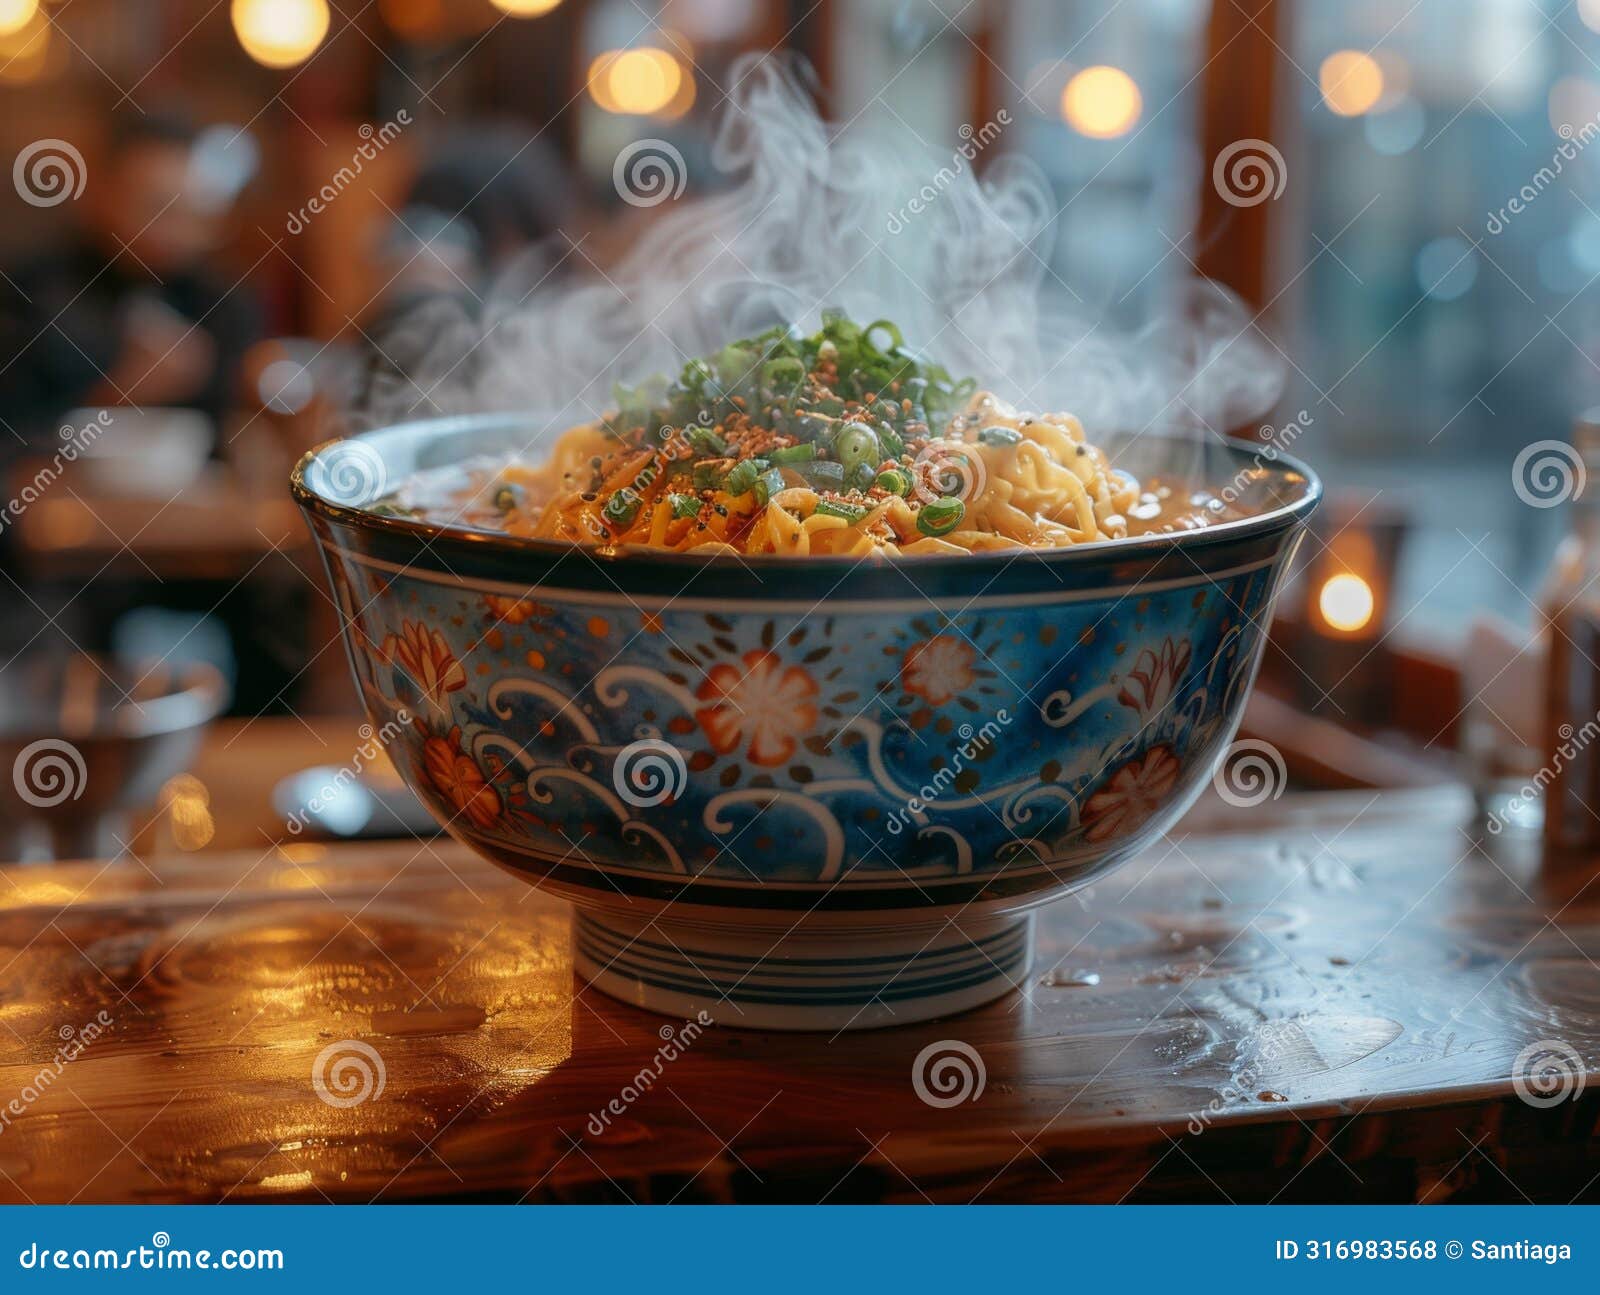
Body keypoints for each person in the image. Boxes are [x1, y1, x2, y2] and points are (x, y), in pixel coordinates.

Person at [0, 111, 263, 442]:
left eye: (189, 211)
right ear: (101, 194)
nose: (173, 230)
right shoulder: (30, 292)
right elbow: (15, 431)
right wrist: (120, 393)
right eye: (155, 207)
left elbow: (239, 434)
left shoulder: (225, 303)